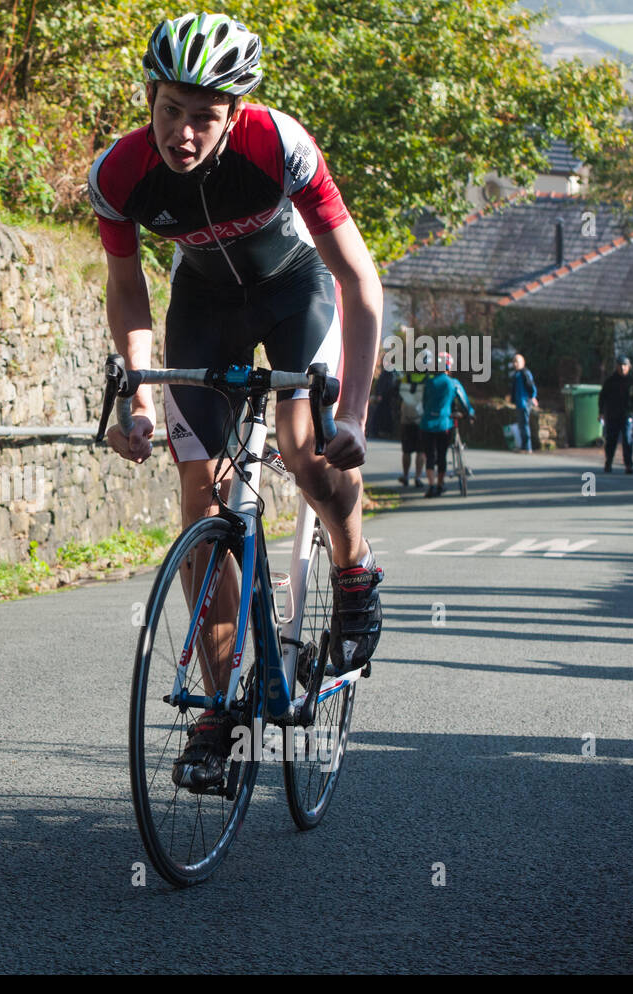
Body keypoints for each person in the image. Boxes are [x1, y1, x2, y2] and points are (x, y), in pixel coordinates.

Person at [90, 12, 383, 790]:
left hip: (296, 293)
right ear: (150, 97)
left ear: (235, 115)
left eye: (204, 117)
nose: (184, 133)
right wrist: (139, 399)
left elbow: (358, 278)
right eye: (170, 112)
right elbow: (128, 289)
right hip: (205, 306)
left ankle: (354, 572)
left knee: (304, 450)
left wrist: (353, 412)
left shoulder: (278, 145)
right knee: (201, 493)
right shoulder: (120, 175)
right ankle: (219, 710)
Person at [420, 354, 474, 497]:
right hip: (444, 424)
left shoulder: (428, 382)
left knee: (430, 455)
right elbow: (464, 402)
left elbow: (424, 403)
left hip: (427, 424)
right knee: (442, 455)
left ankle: (431, 485)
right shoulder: (453, 382)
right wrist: (470, 414)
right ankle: (440, 484)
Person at [600, 355, 633, 474]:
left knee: (627, 438)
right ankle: (609, 461)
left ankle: (629, 465)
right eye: (620, 365)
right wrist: (601, 412)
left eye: (625, 365)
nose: (622, 367)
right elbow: (602, 397)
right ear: (616, 366)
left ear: (629, 367)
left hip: (627, 415)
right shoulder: (610, 381)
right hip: (613, 415)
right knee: (611, 440)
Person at [397, 369, 427, 489]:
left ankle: (405, 476)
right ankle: (418, 477)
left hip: (406, 418)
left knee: (406, 450)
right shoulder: (428, 379)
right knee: (421, 451)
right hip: (421, 419)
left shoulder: (406, 377)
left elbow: (398, 393)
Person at [510, 351, 537, 453]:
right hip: (519, 402)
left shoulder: (525, 373)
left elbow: (531, 386)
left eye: (517, 361)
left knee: (524, 424)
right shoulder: (517, 374)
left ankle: (527, 447)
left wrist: (533, 397)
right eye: (514, 362)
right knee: (521, 425)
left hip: (525, 402)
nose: (515, 364)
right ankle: (523, 447)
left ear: (523, 362)